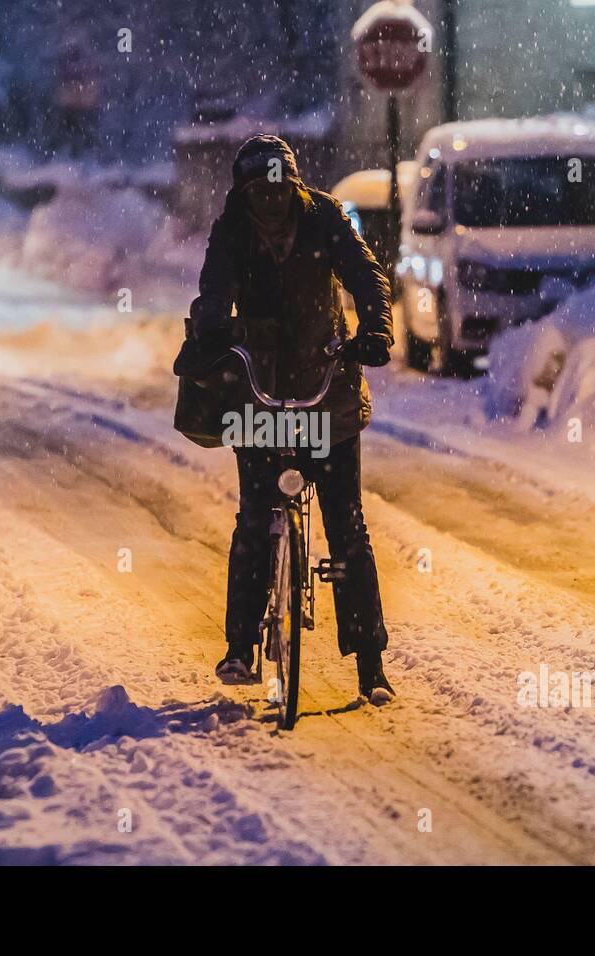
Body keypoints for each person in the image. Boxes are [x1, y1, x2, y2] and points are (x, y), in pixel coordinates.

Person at [173, 134, 396, 701]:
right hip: (261, 387)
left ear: (293, 186)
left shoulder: (325, 219)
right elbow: (214, 290)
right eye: (258, 190)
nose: (270, 201)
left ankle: (371, 665)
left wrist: (373, 328)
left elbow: (367, 278)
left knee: (347, 529)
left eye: (279, 188)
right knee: (254, 518)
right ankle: (240, 649)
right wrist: (213, 323)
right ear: (243, 193)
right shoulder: (232, 231)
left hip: (328, 387)